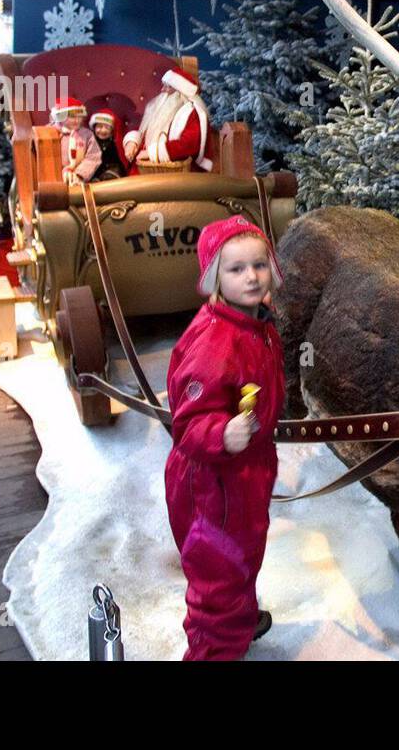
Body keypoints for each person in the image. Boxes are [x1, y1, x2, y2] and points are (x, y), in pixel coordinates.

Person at [164, 215, 286, 660]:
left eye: (259, 264)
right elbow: (187, 425)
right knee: (218, 580)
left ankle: (241, 615)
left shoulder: (256, 324)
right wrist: (220, 433)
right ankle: (214, 647)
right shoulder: (216, 341)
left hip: (246, 474)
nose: (251, 276)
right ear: (215, 278)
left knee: (243, 557)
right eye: (236, 269)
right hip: (212, 487)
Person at [123, 67, 213, 174]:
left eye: (167, 87)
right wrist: (133, 143)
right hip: (146, 168)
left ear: (179, 91)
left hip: (173, 173)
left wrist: (152, 153)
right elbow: (144, 132)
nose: (162, 90)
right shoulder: (160, 109)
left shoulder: (192, 113)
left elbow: (188, 145)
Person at [51, 96, 101, 186]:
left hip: (78, 179)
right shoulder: (49, 132)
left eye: (80, 117)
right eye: (72, 117)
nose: (77, 120)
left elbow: (93, 157)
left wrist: (79, 174)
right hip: (54, 179)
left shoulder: (87, 134)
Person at [87, 109, 129, 181]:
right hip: (95, 169)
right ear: (94, 128)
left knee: (111, 175)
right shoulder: (91, 142)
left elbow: (120, 160)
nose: (103, 131)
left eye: (107, 127)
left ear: (112, 131)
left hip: (113, 168)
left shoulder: (115, 143)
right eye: (99, 127)